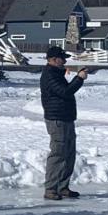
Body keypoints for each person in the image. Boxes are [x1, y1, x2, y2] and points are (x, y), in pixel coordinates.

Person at [40, 46, 88, 201]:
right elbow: (65, 92)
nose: (65, 60)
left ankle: (63, 186)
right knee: (58, 154)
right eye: (62, 58)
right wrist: (79, 78)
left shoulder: (57, 74)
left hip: (66, 118)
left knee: (69, 154)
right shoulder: (49, 75)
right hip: (57, 120)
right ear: (53, 59)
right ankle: (51, 189)